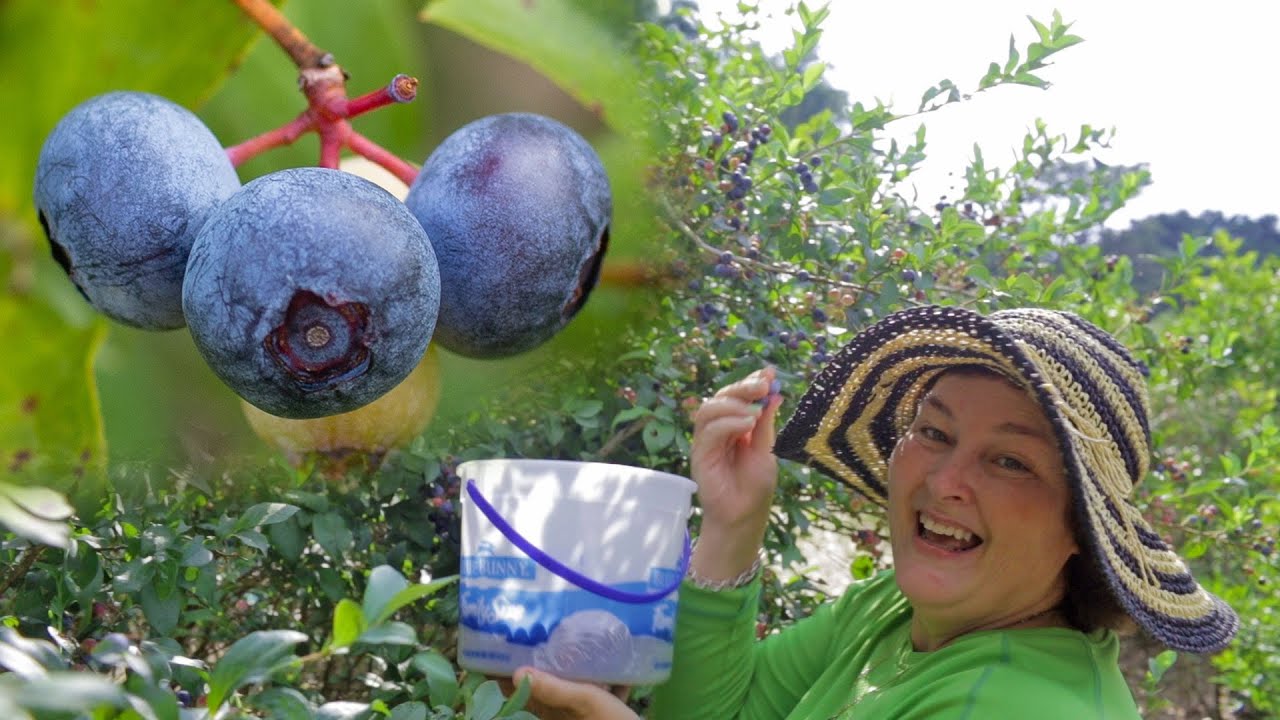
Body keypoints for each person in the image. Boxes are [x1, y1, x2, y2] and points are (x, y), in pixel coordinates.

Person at [513, 305, 1239, 719]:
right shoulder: (890, 611)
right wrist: (735, 524)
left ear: (1082, 530)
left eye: (1010, 461)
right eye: (934, 432)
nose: (946, 479)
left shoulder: (1022, 706)